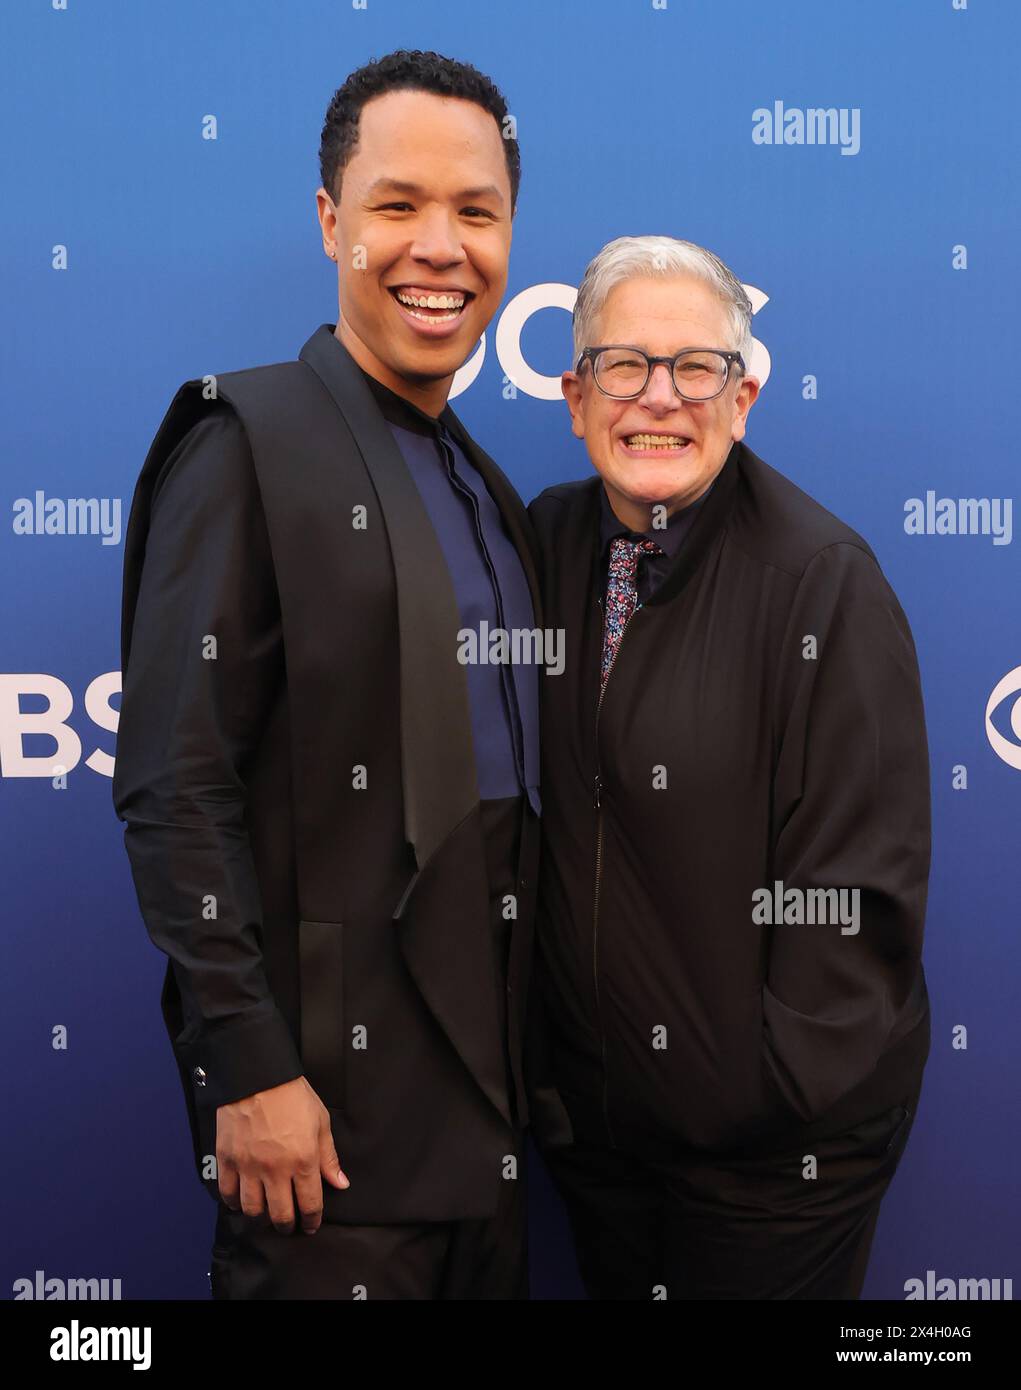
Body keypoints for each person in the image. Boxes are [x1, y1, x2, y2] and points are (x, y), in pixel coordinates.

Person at [112, 50, 542, 1300]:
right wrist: (247, 1066)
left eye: (475, 212)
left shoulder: (483, 484)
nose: (439, 247)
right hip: (327, 1147)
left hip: (488, 1139)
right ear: (328, 221)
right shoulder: (243, 440)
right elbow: (174, 784)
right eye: (397, 204)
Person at [526, 234, 931, 1299]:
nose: (658, 397)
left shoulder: (822, 583)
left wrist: (760, 1099)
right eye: (624, 365)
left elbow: (857, 892)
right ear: (575, 398)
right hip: (602, 1140)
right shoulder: (541, 547)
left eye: (695, 368)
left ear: (742, 398)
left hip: (773, 1164)